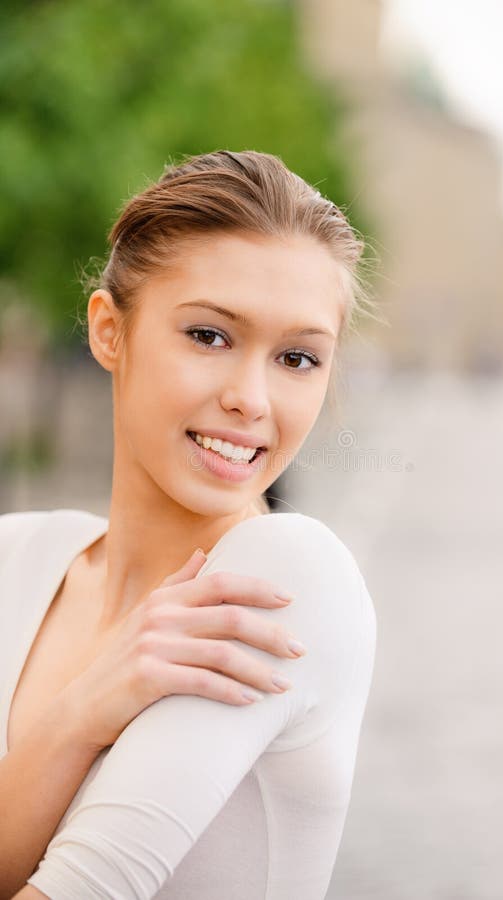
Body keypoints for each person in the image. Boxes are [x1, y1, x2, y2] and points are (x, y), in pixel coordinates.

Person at [0, 149, 379, 899]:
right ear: (110, 331)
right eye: (209, 336)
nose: (251, 399)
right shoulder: (15, 555)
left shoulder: (280, 583)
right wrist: (81, 712)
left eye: (297, 358)